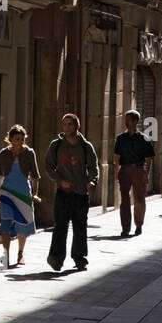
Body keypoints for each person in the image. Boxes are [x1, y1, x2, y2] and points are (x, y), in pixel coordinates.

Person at [45, 114, 98, 271]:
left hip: (80, 193)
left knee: (80, 227)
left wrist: (92, 181)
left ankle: (79, 258)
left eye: (70, 124)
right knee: (60, 226)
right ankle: (56, 258)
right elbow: (48, 166)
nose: (67, 127)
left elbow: (94, 167)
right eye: (64, 124)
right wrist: (60, 181)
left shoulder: (86, 146)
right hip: (63, 193)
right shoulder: (56, 145)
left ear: (77, 126)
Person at [0, 125, 41, 268]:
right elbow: (1, 176)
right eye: (17, 139)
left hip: (23, 193)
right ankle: (6, 255)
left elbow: (35, 176)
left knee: (23, 223)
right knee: (6, 224)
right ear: (10, 139)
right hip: (7, 193)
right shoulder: (3, 154)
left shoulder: (29, 153)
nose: (20, 142)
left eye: (22, 139)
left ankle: (20, 253)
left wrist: (35, 193)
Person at [113, 110, 155, 237]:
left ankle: (138, 225)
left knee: (139, 199)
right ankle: (125, 228)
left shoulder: (144, 138)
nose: (126, 123)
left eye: (129, 120)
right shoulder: (120, 138)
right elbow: (116, 157)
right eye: (125, 120)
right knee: (124, 199)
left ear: (136, 121)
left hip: (138, 169)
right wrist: (117, 172)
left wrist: (146, 173)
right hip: (125, 170)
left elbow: (149, 158)